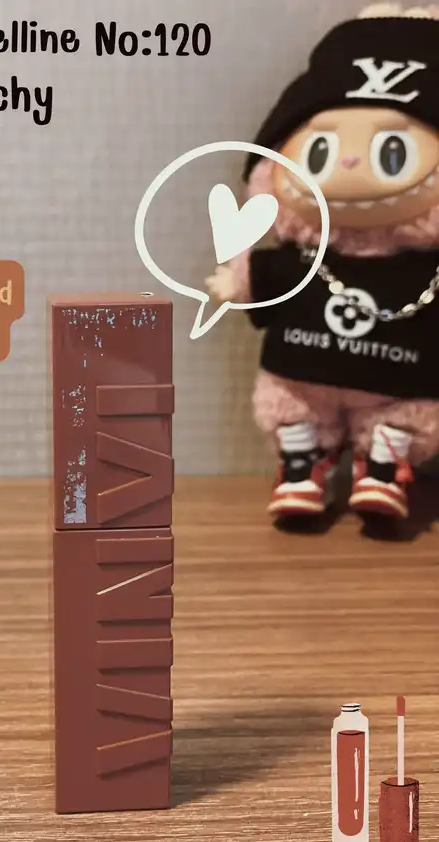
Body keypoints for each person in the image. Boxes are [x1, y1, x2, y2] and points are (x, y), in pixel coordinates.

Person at [206, 3, 439, 521]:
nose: (350, 162)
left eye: (393, 151)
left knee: (401, 418)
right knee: (293, 412)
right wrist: (235, 279)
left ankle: (384, 468)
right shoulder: (304, 260)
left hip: (401, 387)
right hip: (300, 378)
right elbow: (256, 280)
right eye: (321, 151)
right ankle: (301, 465)